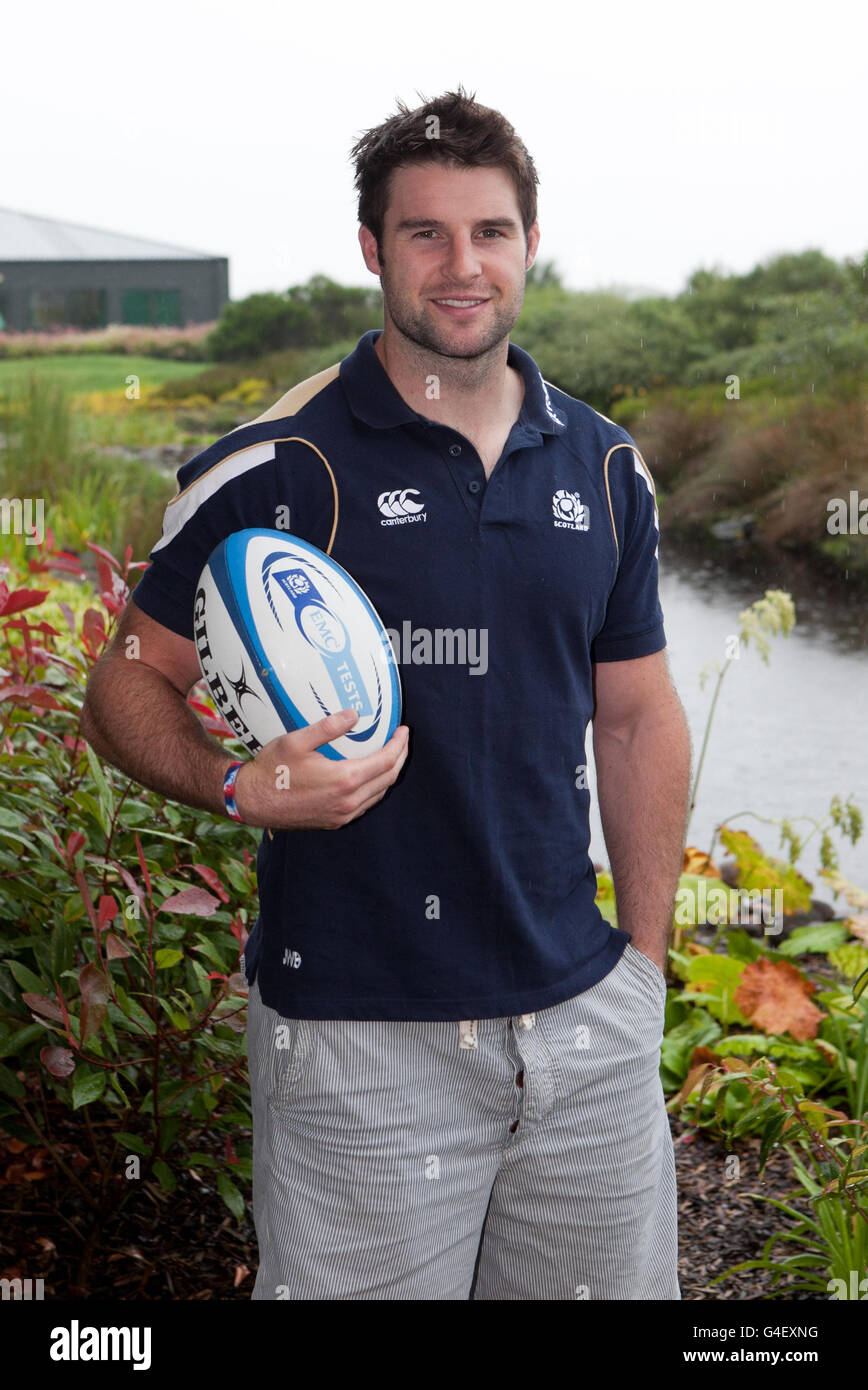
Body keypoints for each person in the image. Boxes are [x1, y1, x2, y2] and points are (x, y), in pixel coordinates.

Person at [81, 85, 692, 1301]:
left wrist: (646, 966)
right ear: (373, 249)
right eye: (425, 234)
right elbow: (123, 685)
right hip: (359, 1037)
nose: (462, 266)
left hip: (583, 1024)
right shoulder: (273, 466)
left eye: (491, 232)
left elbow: (634, 717)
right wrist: (237, 786)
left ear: (529, 242)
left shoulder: (606, 466)